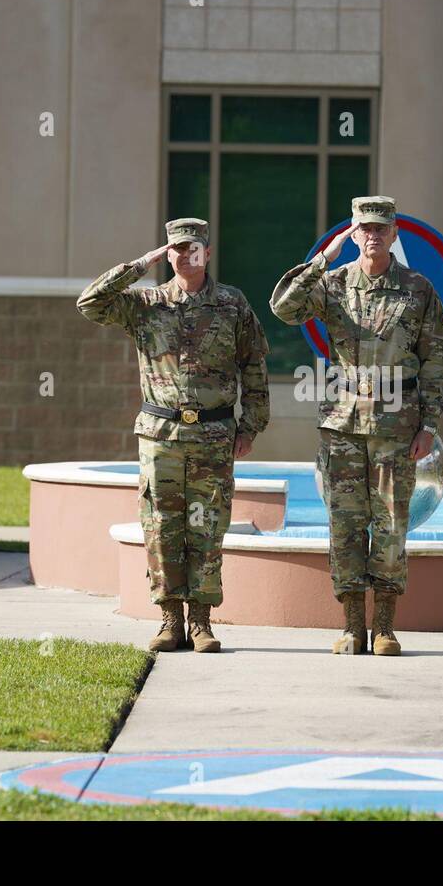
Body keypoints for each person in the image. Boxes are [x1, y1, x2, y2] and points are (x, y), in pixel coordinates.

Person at [270, 196, 443, 656]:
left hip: (398, 423)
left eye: (381, 228)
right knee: (345, 525)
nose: (373, 235)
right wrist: (323, 258)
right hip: (343, 424)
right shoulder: (332, 284)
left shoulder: (418, 288)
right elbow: (285, 309)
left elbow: (437, 360)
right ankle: (352, 625)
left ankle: (385, 627)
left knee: (391, 525)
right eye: (364, 228)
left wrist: (429, 424)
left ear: (394, 234)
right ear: (353, 234)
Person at [77, 218, 269, 653]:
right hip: (161, 434)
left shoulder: (231, 304)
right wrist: (139, 265)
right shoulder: (145, 302)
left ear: (207, 251)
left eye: (194, 247)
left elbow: (254, 366)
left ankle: (201, 622)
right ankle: (169, 619)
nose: (187, 255)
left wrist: (251, 425)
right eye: (177, 248)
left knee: (207, 525)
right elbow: (90, 303)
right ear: (168, 253)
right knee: (161, 525)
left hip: (215, 433)